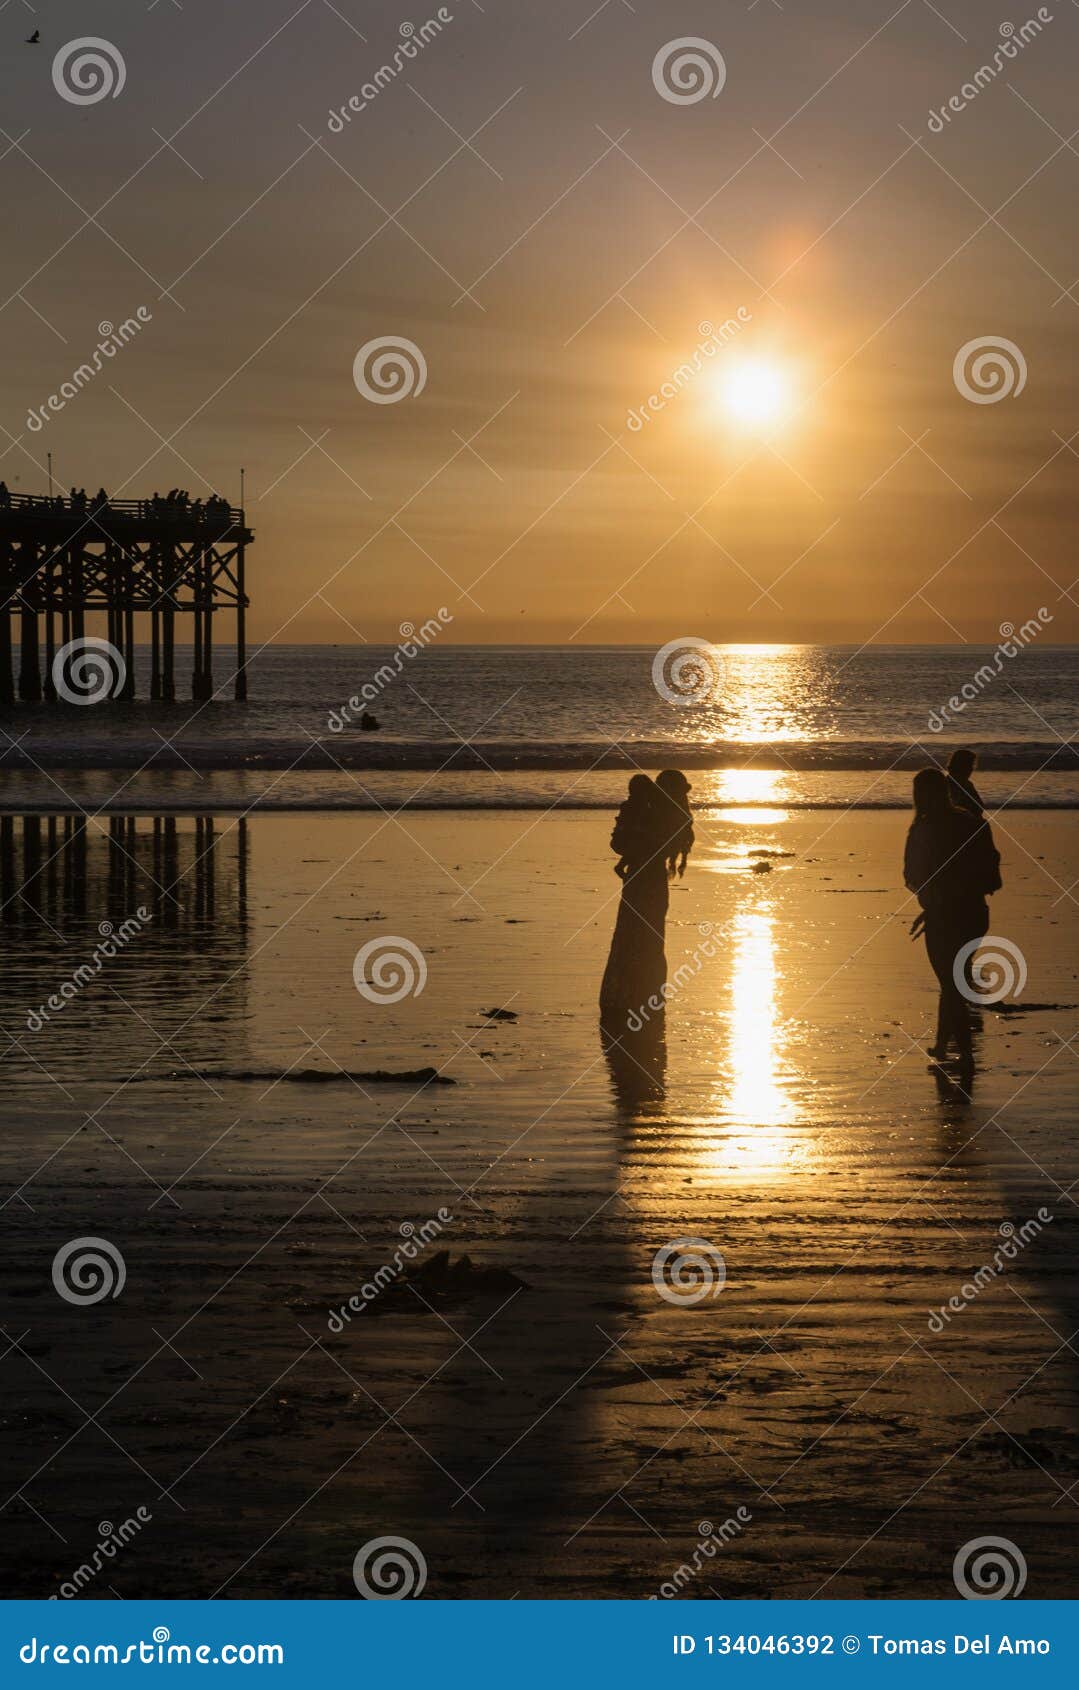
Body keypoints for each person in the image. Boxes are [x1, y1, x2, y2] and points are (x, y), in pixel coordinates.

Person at [904, 768, 1001, 1069]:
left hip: (943, 916)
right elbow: (991, 872)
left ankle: (965, 1056)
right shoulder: (972, 822)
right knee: (953, 981)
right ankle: (942, 1045)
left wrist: (933, 904)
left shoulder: (923, 828)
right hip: (975, 913)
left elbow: (913, 876)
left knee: (950, 982)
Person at [611, 774, 657, 879]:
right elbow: (630, 827)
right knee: (639, 844)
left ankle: (621, 866)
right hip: (625, 841)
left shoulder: (630, 804)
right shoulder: (638, 806)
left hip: (623, 840)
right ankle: (620, 866)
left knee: (638, 844)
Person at [655, 768, 694, 877]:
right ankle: (674, 862)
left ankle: (673, 862)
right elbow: (687, 826)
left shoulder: (658, 802)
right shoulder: (680, 800)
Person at [947, 747, 984, 816]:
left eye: (973, 765)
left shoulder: (967, 784)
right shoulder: (948, 784)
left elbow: (980, 807)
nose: (972, 769)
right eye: (970, 765)